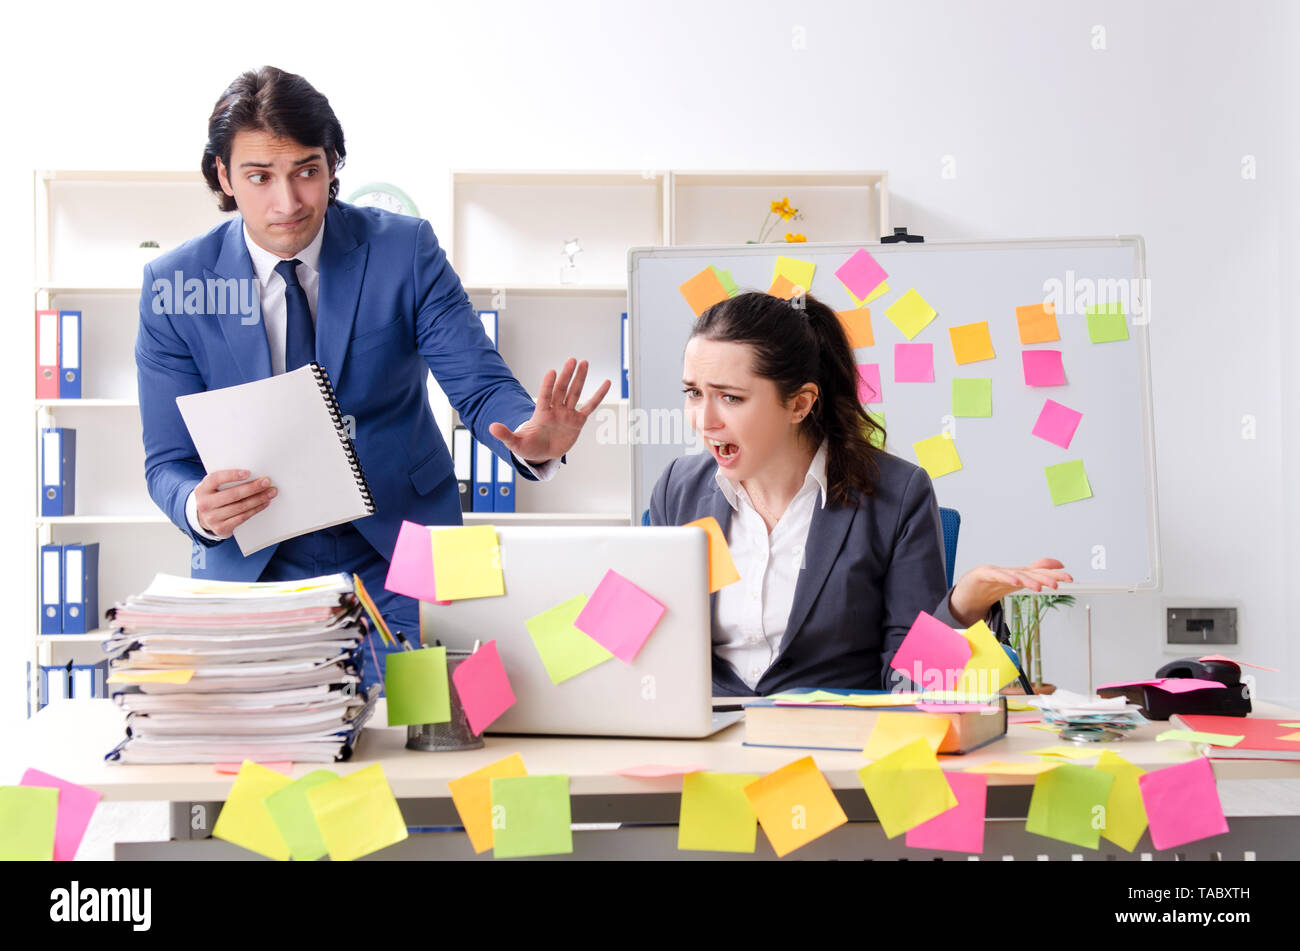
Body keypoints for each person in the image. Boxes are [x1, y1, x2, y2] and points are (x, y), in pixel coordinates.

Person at [136, 66, 608, 692]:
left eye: (307, 170)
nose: (289, 202)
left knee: (438, 747)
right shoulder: (175, 284)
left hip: (406, 553)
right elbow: (166, 462)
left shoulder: (402, 249)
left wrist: (529, 433)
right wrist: (198, 505)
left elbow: (478, 382)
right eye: (259, 177)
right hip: (256, 567)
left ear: (333, 164)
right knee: (272, 763)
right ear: (223, 177)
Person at [649, 290, 1072, 697]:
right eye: (693, 393)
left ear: (800, 404)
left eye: (730, 397)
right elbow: (633, 642)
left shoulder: (897, 495)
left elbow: (911, 687)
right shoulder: (678, 489)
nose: (704, 421)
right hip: (709, 738)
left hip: (837, 745)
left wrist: (962, 609)